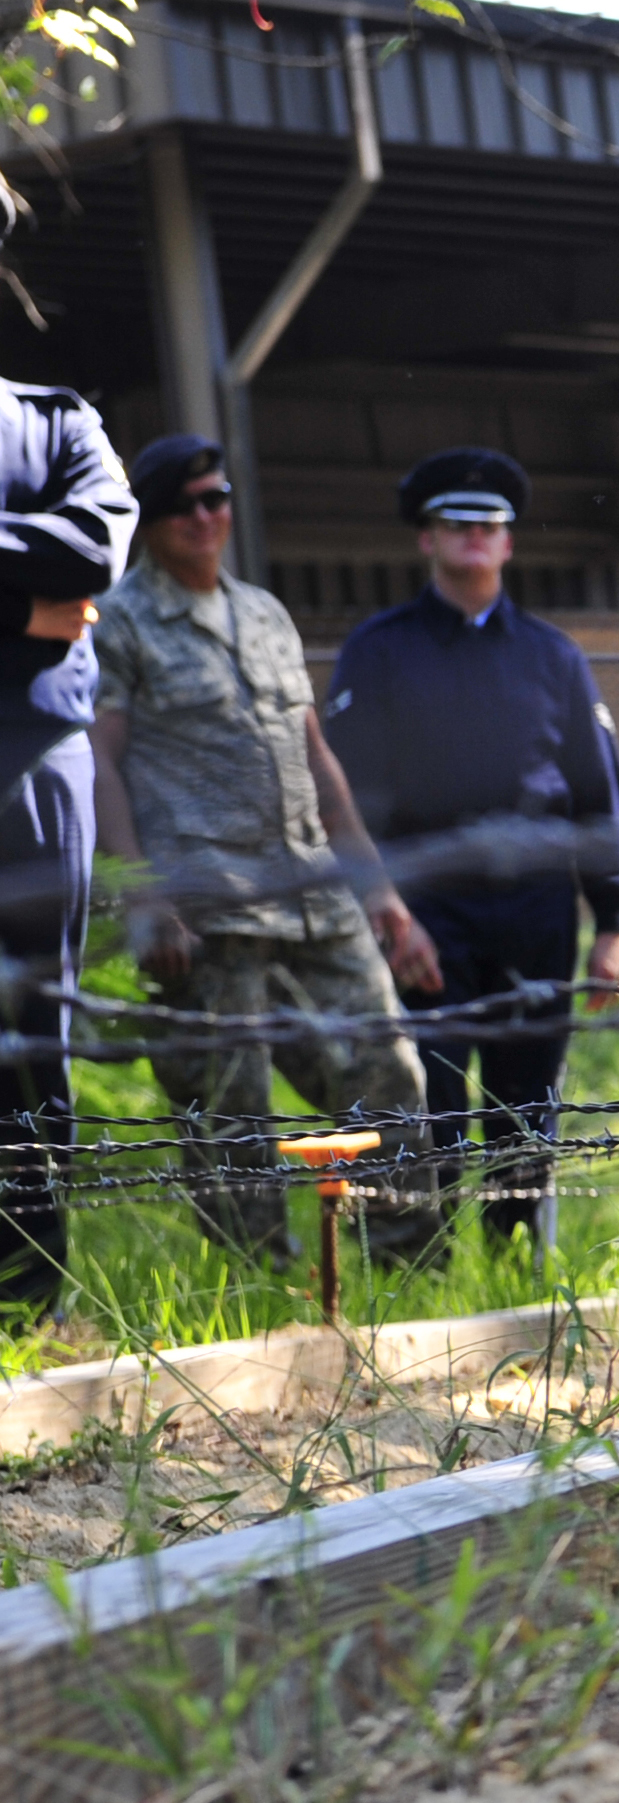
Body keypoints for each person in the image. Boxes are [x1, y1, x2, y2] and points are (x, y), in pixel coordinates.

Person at [92, 435, 445, 1263]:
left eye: (215, 499)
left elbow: (317, 759)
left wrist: (380, 891)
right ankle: (258, 1285)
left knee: (389, 1071)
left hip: (314, 889)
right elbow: (99, 761)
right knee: (230, 1107)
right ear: (150, 520)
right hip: (206, 904)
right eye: (182, 506)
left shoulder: (264, 613)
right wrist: (143, 895)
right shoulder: (122, 622)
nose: (203, 517)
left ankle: (411, 1263)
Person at [323, 449, 619, 1246]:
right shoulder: (379, 651)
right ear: (426, 538)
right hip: (424, 907)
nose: (473, 536)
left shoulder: (553, 656)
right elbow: (342, 794)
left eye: (488, 524)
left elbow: (596, 793)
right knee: (428, 1084)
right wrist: (380, 908)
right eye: (455, 523)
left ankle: (512, 1248)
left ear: (508, 541)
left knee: (527, 1094)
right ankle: (425, 1251)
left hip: (535, 905)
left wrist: (612, 920)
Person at [0, 348, 136, 1317]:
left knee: (31, 1030)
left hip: (33, 754)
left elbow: (92, 554)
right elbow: (51, 576)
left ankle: (23, 1299)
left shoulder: (56, 424)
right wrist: (22, 605)